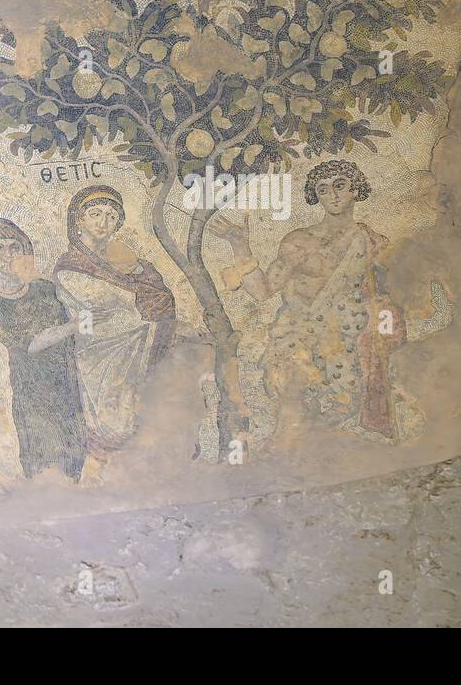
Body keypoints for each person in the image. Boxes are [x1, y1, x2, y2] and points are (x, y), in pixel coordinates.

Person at [211, 159, 421, 442]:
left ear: (355, 188)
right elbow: (262, 291)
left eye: (339, 185)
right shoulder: (300, 241)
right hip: (298, 336)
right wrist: (240, 246)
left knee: (337, 422)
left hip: (346, 339)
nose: (332, 195)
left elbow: (385, 296)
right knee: (295, 409)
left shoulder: (372, 242)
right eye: (323, 189)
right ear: (315, 196)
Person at [54, 185, 176, 477]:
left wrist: (144, 287)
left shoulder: (131, 263)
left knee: (135, 415)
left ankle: (130, 479)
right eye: (94, 214)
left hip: (137, 352)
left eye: (111, 216)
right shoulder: (69, 267)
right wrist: (142, 295)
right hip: (98, 355)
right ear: (77, 221)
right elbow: (109, 309)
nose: (103, 222)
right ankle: (98, 479)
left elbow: (159, 297)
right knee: (108, 422)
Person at [0, 218, 87, 481]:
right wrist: (75, 326)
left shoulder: (44, 289)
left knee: (75, 450)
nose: (7, 255)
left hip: (65, 383)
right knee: (43, 455)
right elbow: (28, 345)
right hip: (32, 389)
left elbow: (70, 338)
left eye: (14, 247)